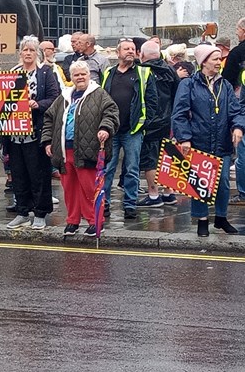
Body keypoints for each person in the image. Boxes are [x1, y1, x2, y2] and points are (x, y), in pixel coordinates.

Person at [172, 44, 245, 236]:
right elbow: (179, 114)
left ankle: (221, 218)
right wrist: (184, 138)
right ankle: (202, 220)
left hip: (222, 142)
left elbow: (236, 111)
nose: (219, 63)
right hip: (199, 141)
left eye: (220, 59)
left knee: (222, 182)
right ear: (203, 62)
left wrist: (238, 127)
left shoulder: (226, 86)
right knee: (200, 182)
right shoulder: (188, 84)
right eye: (215, 59)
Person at [42, 61, 120, 236]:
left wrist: (105, 128)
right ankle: (72, 221)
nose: (80, 77)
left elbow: (111, 113)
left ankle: (95, 222)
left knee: (90, 188)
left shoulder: (99, 94)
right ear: (71, 77)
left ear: (89, 75)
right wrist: (47, 141)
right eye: (76, 75)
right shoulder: (64, 96)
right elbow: (49, 118)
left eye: (83, 74)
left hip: (88, 150)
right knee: (69, 189)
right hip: (64, 151)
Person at [6, 36, 61, 230]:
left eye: (31, 50)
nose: (28, 53)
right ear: (20, 53)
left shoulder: (46, 73)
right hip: (14, 133)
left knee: (38, 175)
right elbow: (2, 99)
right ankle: (22, 211)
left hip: (36, 133)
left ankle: (40, 213)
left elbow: (55, 98)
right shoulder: (12, 73)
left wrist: (37, 104)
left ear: (37, 53)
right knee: (18, 175)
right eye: (24, 50)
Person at [101, 39, 158, 219]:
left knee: (132, 169)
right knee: (108, 169)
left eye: (133, 49)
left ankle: (130, 204)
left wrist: (145, 123)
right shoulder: (109, 73)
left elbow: (152, 101)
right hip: (112, 130)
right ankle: (105, 204)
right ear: (118, 53)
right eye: (126, 49)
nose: (130, 52)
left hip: (133, 130)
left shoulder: (143, 72)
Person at [136, 40, 180, 208]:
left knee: (150, 160)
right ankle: (169, 193)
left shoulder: (143, 70)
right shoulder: (169, 70)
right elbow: (178, 94)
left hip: (150, 121)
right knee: (166, 157)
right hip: (168, 121)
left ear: (142, 54)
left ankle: (153, 195)